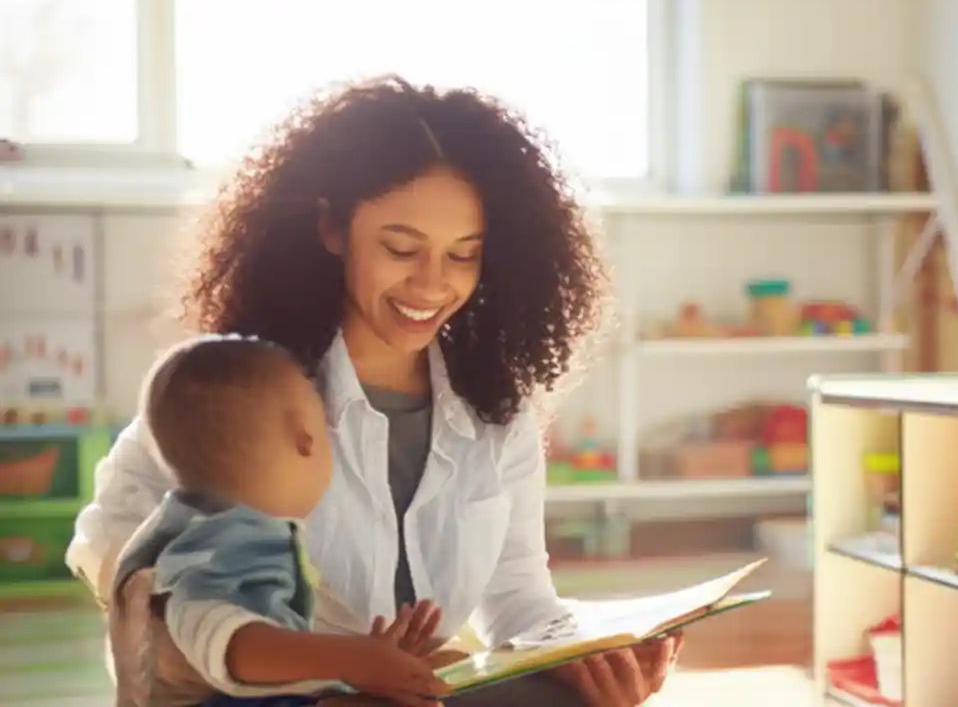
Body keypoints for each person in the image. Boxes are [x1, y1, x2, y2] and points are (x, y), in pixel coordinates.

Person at [68, 75, 680, 707]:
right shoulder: (248, 390)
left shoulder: (496, 404)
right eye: (400, 247)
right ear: (332, 227)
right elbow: (112, 544)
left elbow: (518, 596)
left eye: (463, 255)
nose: (431, 285)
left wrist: (584, 657)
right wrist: (306, 672)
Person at [110, 335, 449, 706]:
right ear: (306, 440)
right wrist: (353, 659)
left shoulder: (181, 524)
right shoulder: (231, 534)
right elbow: (216, 633)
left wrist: (369, 658)